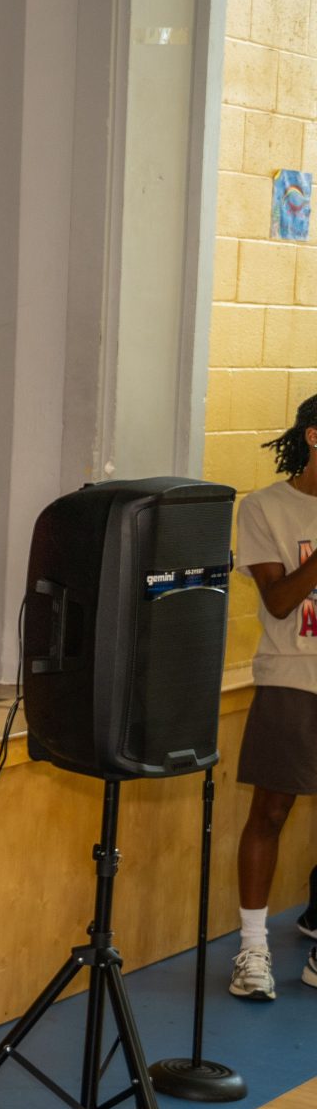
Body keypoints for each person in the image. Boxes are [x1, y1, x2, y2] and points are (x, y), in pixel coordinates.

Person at [227, 394, 317, 1001]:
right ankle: (252, 949)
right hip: (294, 675)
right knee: (272, 812)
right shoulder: (266, 508)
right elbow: (281, 601)